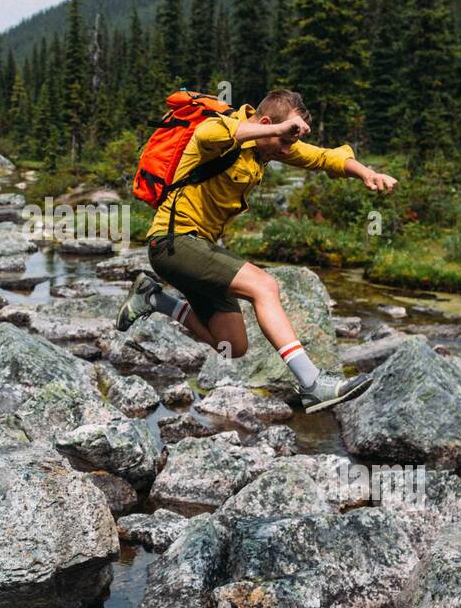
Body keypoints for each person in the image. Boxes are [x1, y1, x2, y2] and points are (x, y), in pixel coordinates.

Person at [117, 88, 398, 413]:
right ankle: (312, 384)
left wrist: (366, 172)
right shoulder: (220, 133)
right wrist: (278, 131)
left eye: (289, 141)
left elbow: (323, 157)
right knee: (265, 286)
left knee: (231, 344)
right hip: (173, 243)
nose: (287, 149)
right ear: (266, 123)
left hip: (199, 248)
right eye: (284, 139)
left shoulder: (270, 147)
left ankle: (154, 298)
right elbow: (212, 132)